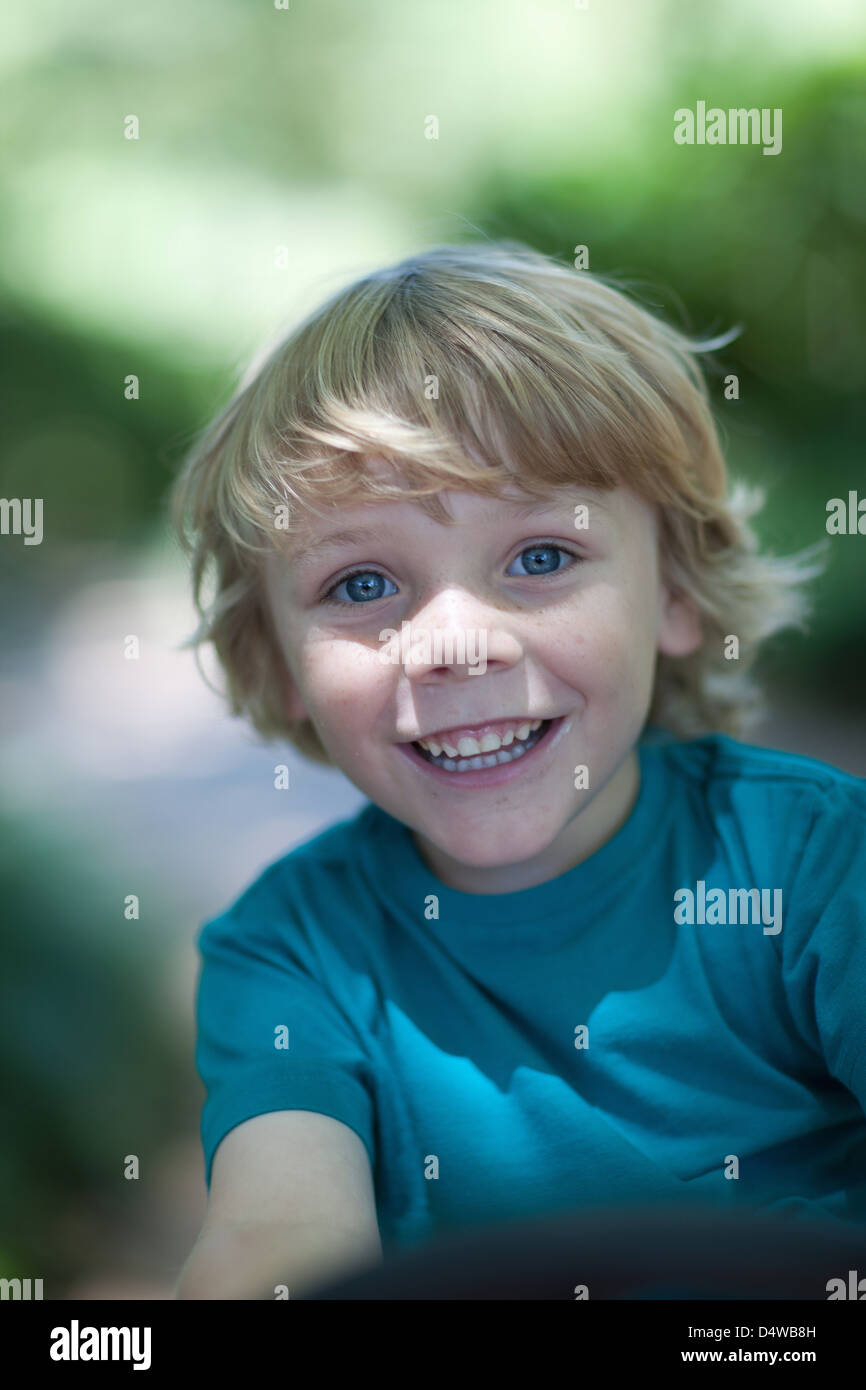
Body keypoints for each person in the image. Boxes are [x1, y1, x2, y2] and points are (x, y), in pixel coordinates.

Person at [169, 241, 866, 1301]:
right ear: (281, 663)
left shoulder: (814, 863)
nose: (454, 643)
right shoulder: (291, 952)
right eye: (362, 581)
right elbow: (274, 1245)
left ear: (674, 591)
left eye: (539, 557)